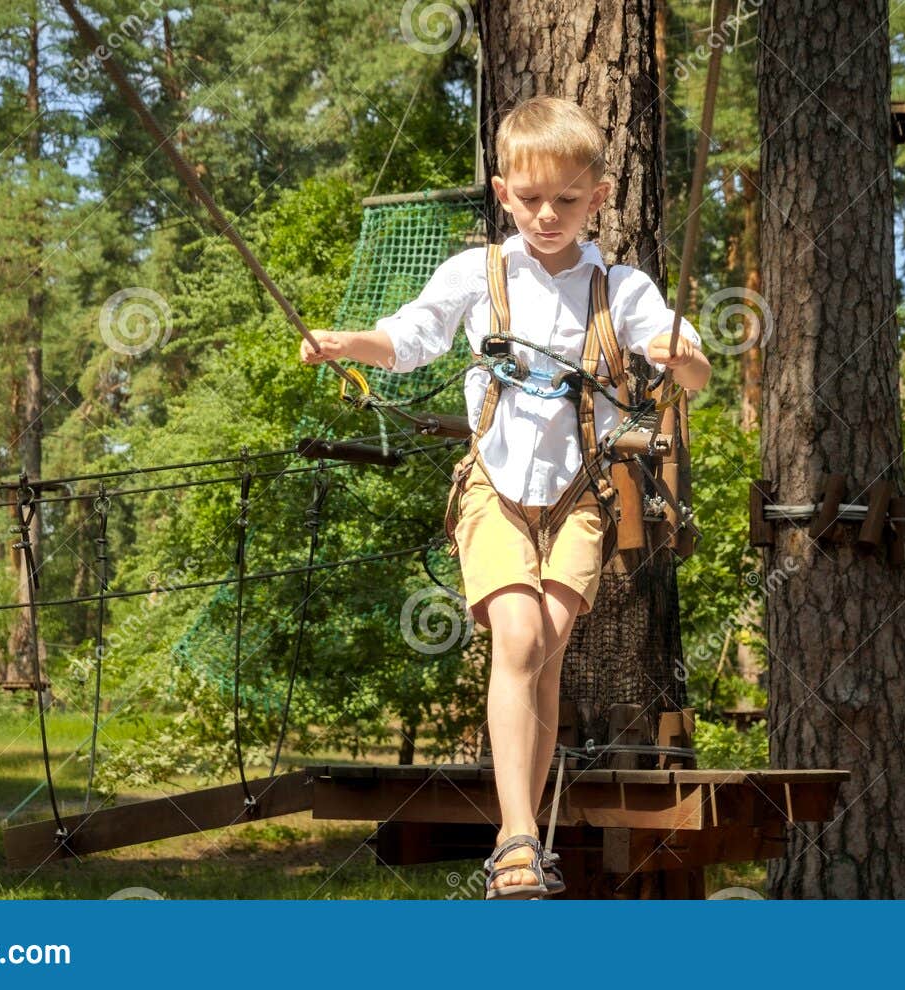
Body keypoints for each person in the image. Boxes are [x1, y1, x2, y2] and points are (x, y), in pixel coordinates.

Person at [299, 95, 710, 897]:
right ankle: (517, 838)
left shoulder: (619, 289)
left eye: (566, 200)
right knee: (518, 638)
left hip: (581, 498)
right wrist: (350, 343)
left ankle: (525, 837)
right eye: (529, 199)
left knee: (543, 653)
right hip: (494, 488)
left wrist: (678, 357)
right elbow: (409, 336)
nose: (546, 215)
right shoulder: (477, 274)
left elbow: (687, 362)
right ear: (500, 190)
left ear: (598, 196)